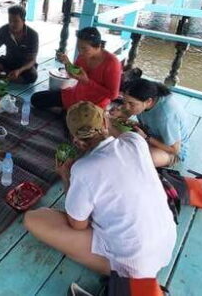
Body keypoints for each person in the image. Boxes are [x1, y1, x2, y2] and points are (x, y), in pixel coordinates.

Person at [24, 101, 175, 290]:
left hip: (137, 264)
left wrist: (65, 176)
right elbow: (117, 139)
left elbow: (77, 225)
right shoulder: (135, 141)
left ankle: (118, 270)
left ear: (75, 139)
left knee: (34, 218)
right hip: (166, 244)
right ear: (105, 122)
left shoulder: (83, 169)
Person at [31, 27, 121, 111]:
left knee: (72, 123)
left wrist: (87, 81)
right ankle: (65, 111)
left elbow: (113, 95)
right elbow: (74, 72)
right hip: (75, 95)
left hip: (94, 104)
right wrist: (66, 62)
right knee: (36, 99)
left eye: (84, 49)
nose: (81, 52)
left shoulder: (112, 63)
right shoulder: (83, 55)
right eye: (79, 48)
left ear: (98, 46)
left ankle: (66, 112)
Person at [113, 78, 191, 168]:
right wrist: (120, 112)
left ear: (148, 101)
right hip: (150, 133)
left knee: (143, 158)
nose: (126, 107)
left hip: (171, 150)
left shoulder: (166, 115)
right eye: (124, 101)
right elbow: (128, 108)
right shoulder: (147, 98)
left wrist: (146, 138)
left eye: (131, 104)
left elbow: (175, 150)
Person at [0, 5, 39, 84]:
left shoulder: (33, 35)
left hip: (23, 66)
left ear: (23, 21)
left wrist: (19, 71)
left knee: (32, 76)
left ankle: (4, 75)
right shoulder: (4, 30)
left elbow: (32, 60)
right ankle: (7, 75)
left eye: (15, 21)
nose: (12, 24)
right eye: (10, 20)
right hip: (8, 61)